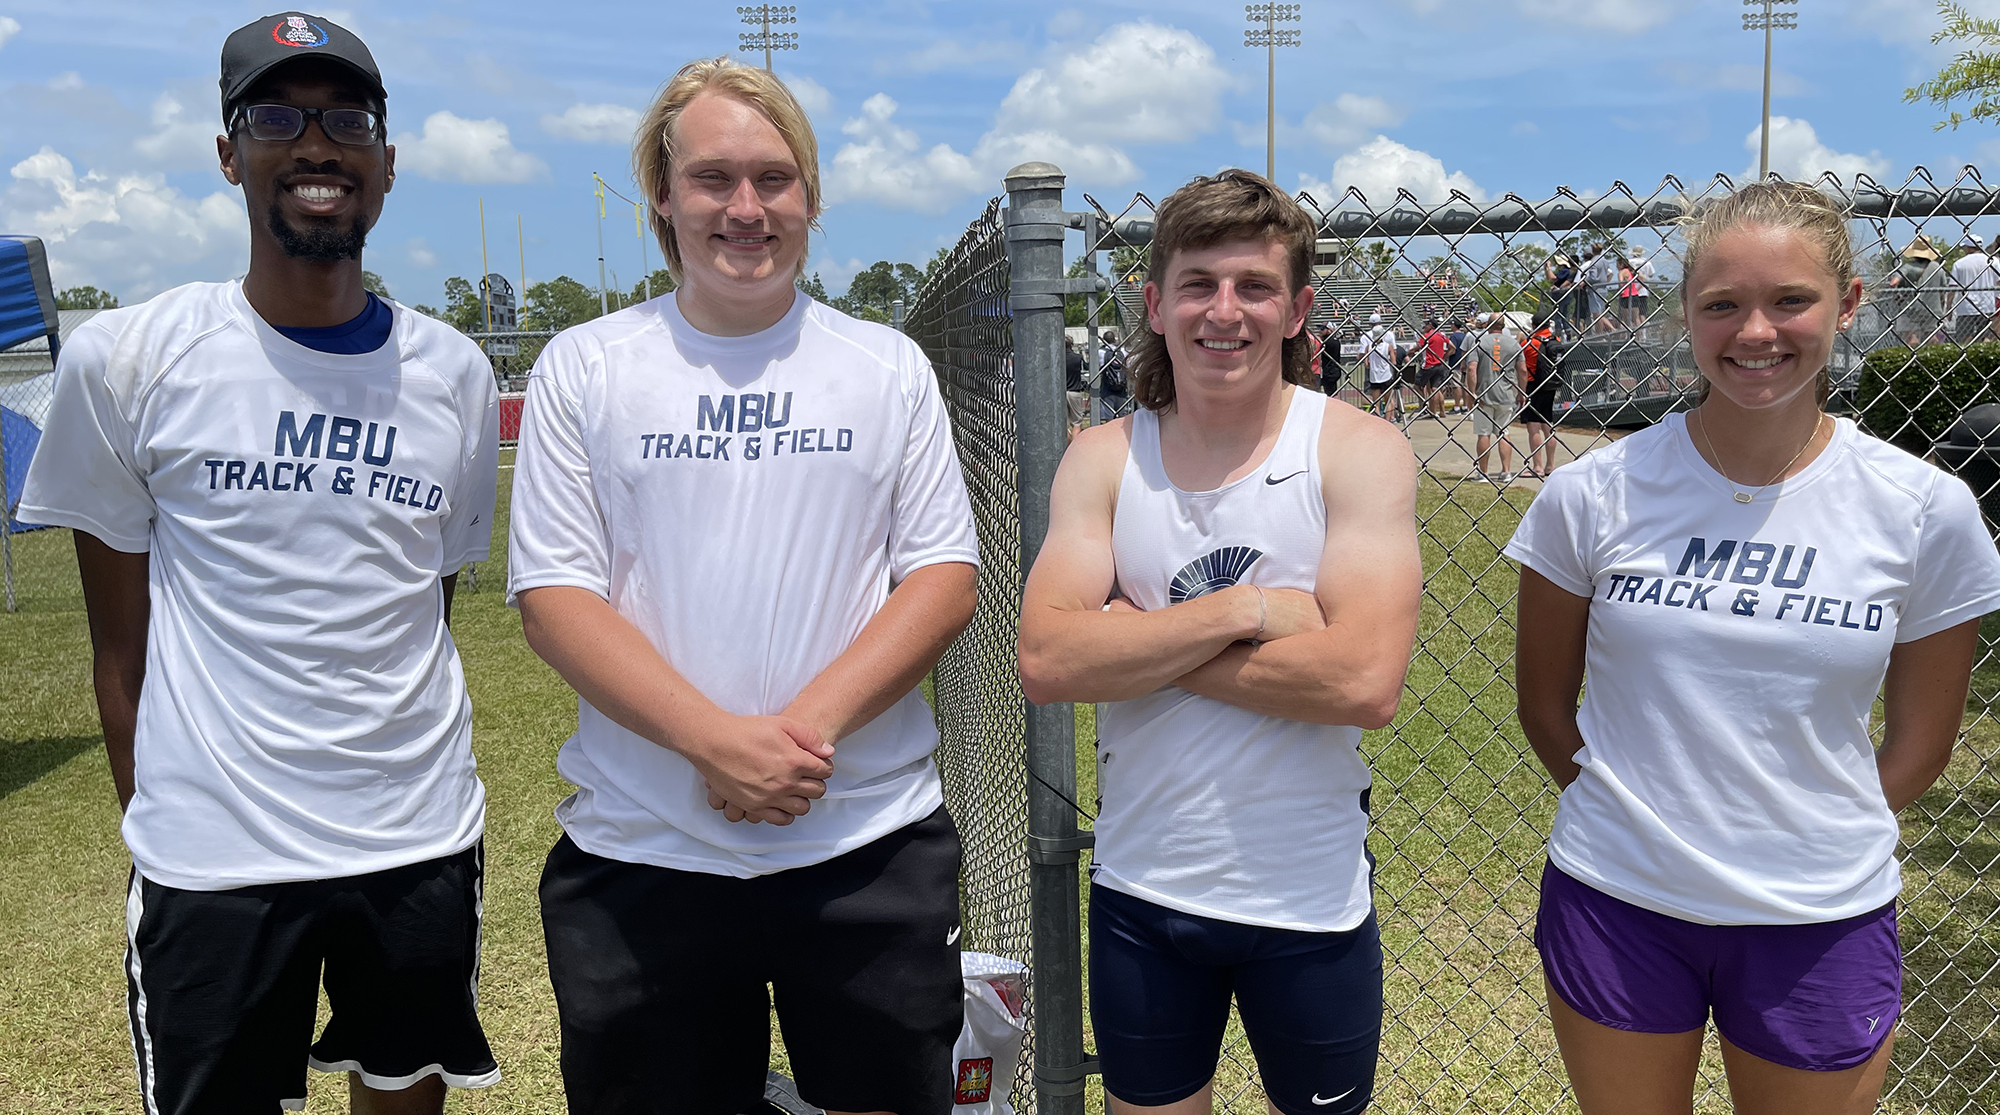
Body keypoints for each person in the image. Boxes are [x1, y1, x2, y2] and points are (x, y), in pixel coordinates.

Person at [15, 13, 503, 1112]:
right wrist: (169, 824)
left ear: (384, 158)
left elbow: (425, 601)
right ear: (230, 151)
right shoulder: (128, 357)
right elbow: (119, 650)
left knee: (402, 1086)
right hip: (213, 856)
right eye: (278, 116)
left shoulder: (455, 374)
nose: (316, 144)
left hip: (416, 832)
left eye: (347, 118)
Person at [507, 57, 980, 1115]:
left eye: (774, 178)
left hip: (864, 838)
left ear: (810, 196)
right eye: (713, 178)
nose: (745, 208)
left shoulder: (885, 366)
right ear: (663, 201)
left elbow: (941, 577)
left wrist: (794, 736)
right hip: (643, 847)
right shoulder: (586, 366)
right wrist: (714, 742)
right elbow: (553, 593)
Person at [1507, 180, 2000, 1115]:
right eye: (1722, 304)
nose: (1756, 332)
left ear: (1847, 304)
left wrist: (1800, 826)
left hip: (1819, 913)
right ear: (1687, 313)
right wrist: (1648, 815)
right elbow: (1543, 706)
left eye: (1791, 301)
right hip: (1620, 896)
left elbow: (1922, 742)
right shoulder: (1594, 493)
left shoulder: (1924, 511)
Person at [1017, 168, 1420, 1115]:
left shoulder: (1356, 449)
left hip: (1310, 900)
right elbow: (1047, 662)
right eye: (1198, 284)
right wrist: (1242, 610)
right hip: (1147, 893)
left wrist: (1138, 638)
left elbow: (1364, 680)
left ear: (1297, 309)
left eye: (1254, 287)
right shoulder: (1106, 457)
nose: (1223, 311)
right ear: (1155, 305)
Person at [1468, 314, 1522, 482]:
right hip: (1506, 394)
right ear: (1503, 326)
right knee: (1504, 432)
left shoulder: (1479, 342)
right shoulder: (1513, 344)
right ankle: (1506, 472)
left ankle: (1483, 473)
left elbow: (1471, 368)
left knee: (1483, 434)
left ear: (1488, 325)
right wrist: (1521, 392)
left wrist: (1472, 392)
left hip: (1484, 395)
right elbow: (1523, 370)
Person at [1520, 310, 1565, 479]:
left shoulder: (1529, 343)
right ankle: (1550, 465)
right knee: (1548, 425)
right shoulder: (1556, 341)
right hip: (1550, 385)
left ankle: (1537, 466)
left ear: (1534, 325)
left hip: (1533, 385)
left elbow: (1523, 366)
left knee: (1533, 428)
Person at [1884, 236, 1948, 347]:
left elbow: (1893, 283)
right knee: (1932, 337)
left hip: (1911, 308)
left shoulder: (1908, 267)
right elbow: (1943, 291)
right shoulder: (1938, 267)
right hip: (1933, 309)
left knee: (1912, 338)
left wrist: (1897, 295)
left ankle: (1913, 361)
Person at [1949, 233, 1997, 343]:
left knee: (1964, 337)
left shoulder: (1959, 264)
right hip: (1987, 305)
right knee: (1987, 335)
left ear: (1968, 247)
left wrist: (1949, 309)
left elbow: (1952, 287)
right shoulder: (1992, 261)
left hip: (1966, 306)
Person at [1417, 317, 1456, 418]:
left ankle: (1427, 409)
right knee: (1436, 389)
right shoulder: (1442, 335)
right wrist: (1443, 357)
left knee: (1417, 386)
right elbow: (1452, 348)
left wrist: (1408, 352)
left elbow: (1418, 347)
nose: (1424, 327)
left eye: (1425, 325)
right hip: (1440, 364)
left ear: (1430, 326)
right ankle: (1441, 412)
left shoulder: (1427, 336)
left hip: (1428, 365)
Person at [1364, 324, 1402, 421]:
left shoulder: (1368, 347)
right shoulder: (1388, 347)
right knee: (1388, 401)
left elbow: (1366, 364)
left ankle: (1378, 421)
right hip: (1386, 376)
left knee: (1376, 402)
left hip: (1374, 377)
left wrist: (1373, 364)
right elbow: (1394, 362)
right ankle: (1388, 420)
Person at [1066, 334, 1090, 438]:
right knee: (1076, 423)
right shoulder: (1077, 358)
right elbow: (1087, 366)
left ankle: (1066, 445)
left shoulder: (1056, 358)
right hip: (1074, 391)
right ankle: (1074, 445)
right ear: (1071, 345)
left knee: (1063, 425)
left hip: (1060, 393)